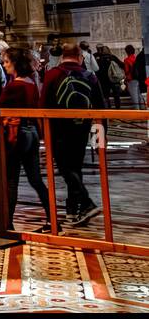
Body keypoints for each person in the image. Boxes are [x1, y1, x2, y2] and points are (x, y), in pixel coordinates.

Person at [42, 43, 105, 226]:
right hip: (82, 128)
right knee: (75, 168)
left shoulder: (52, 74)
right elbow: (100, 107)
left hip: (58, 129)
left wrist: (43, 133)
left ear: (62, 56)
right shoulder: (89, 76)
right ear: (80, 56)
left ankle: (85, 203)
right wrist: (101, 136)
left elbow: (43, 104)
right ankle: (73, 211)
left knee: (65, 168)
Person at [0, 49, 58, 233]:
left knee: (11, 180)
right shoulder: (31, 83)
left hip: (17, 133)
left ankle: (7, 224)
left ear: (15, 64)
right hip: (31, 131)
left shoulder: (14, 86)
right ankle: (52, 219)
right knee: (36, 179)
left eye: (7, 61)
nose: (5, 64)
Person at [94, 44, 124, 110]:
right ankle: (118, 110)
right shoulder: (112, 57)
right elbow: (122, 65)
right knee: (116, 96)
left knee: (106, 96)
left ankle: (109, 110)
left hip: (103, 81)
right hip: (114, 79)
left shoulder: (98, 58)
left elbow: (96, 70)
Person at [124, 45, 146, 111]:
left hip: (131, 80)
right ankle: (143, 110)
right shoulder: (135, 58)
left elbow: (127, 71)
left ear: (127, 51)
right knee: (139, 95)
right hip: (137, 79)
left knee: (134, 97)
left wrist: (126, 79)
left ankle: (137, 112)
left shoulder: (127, 60)